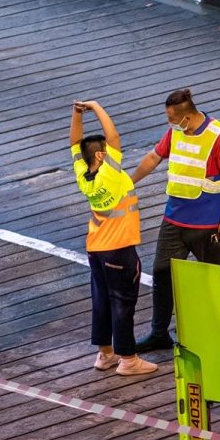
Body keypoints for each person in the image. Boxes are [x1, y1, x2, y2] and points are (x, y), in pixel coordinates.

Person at [128, 89, 220, 353]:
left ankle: (219, 333)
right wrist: (128, 183)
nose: (170, 123)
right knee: (162, 273)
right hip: (174, 219)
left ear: (187, 116)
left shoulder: (219, 137)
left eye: (172, 118)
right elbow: (154, 157)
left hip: (207, 225)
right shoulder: (176, 132)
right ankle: (159, 333)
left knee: (213, 280)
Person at [69, 100, 156, 377]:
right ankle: (128, 359)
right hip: (118, 250)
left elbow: (75, 143)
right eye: (106, 151)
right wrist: (95, 107)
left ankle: (106, 354)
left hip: (96, 248)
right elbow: (114, 137)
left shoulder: (84, 176)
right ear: (100, 155)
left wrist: (76, 115)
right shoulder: (110, 173)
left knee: (102, 302)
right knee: (123, 304)